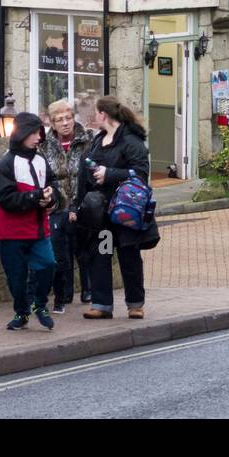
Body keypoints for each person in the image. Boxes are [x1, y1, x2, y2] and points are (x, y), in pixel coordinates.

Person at [78, 96, 154, 320]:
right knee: (100, 255)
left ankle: (135, 304)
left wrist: (108, 174)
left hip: (125, 211)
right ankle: (101, 305)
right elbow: (85, 174)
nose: (94, 116)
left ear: (104, 114)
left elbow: (140, 174)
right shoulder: (97, 140)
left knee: (129, 256)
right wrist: (77, 204)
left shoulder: (132, 141)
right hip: (101, 214)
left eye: (96, 112)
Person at [0, 112, 59, 331]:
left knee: (48, 265)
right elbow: (5, 198)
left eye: (39, 132)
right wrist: (35, 197)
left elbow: (52, 184)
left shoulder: (41, 160)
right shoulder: (7, 162)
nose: (39, 137)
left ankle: (40, 305)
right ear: (21, 134)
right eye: (34, 133)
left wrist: (52, 195)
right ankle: (22, 312)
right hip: (13, 232)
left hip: (39, 229)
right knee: (16, 279)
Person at [41, 98, 92, 312]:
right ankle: (66, 293)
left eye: (68, 118)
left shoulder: (87, 140)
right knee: (61, 252)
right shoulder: (44, 144)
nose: (65, 123)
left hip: (82, 203)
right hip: (57, 205)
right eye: (59, 120)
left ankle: (88, 289)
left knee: (84, 249)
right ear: (52, 124)